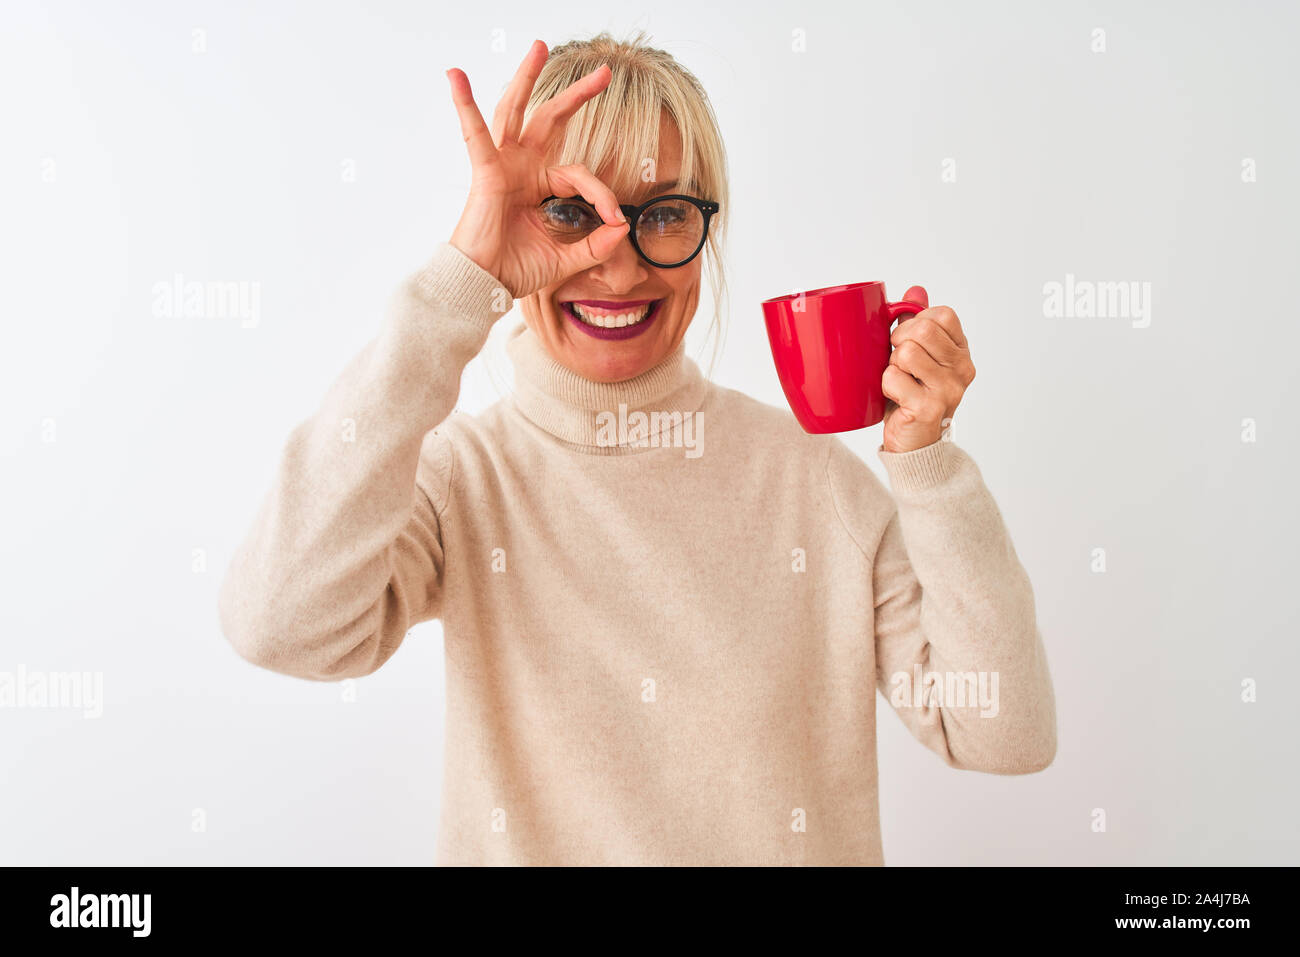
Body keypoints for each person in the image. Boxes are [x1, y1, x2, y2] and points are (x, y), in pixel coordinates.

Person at [218, 31, 1057, 866]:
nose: (617, 272)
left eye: (662, 213)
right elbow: (280, 627)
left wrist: (928, 464)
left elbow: (1002, 733)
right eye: (571, 213)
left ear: (707, 230)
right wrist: (459, 283)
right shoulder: (459, 480)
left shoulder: (817, 484)